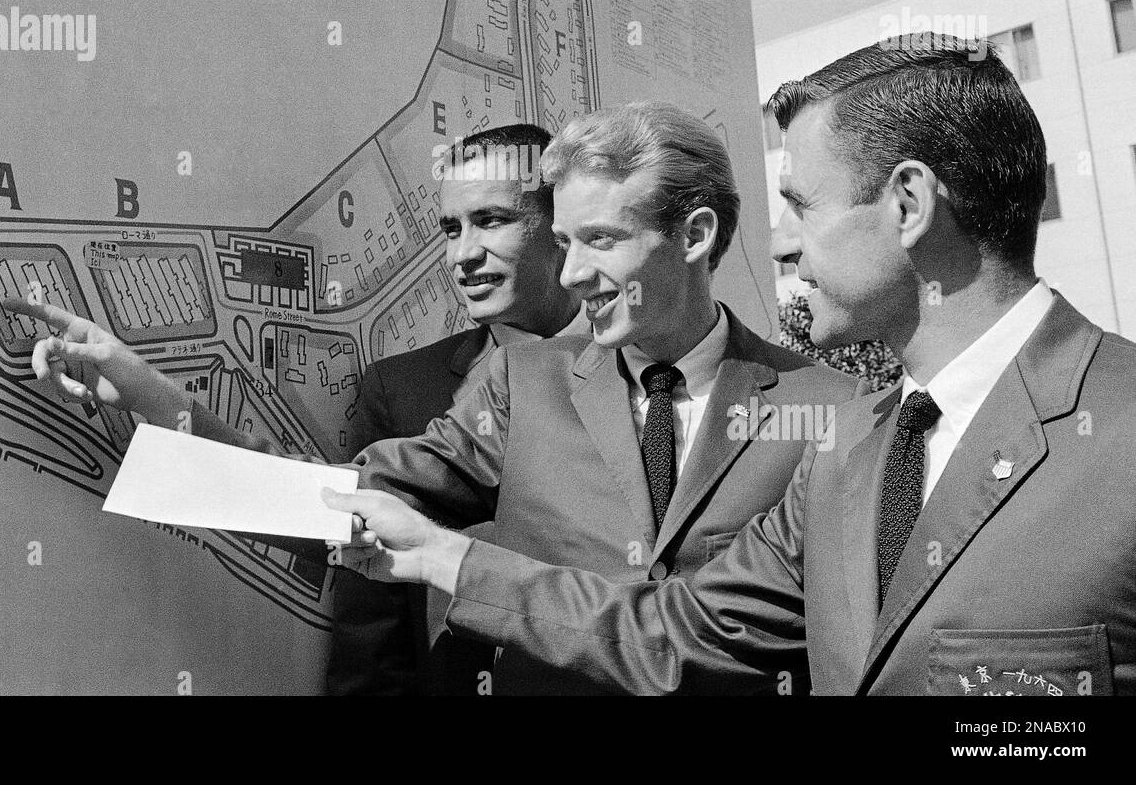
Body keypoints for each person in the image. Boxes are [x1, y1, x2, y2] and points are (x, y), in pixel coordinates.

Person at [327, 36, 1136, 696]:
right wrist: (440, 555)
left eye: (804, 207)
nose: (786, 241)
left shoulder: (1113, 430)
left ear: (909, 205)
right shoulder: (854, 447)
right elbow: (670, 629)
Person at [6, 100, 860, 695]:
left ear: (697, 235)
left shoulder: (833, 411)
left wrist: (457, 563)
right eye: (562, 242)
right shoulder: (524, 385)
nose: (569, 275)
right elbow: (342, 502)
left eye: (600, 240)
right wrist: (154, 396)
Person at [329, 123, 584, 695]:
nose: (464, 254)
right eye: (451, 228)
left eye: (491, 220)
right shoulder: (402, 390)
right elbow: (370, 618)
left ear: (560, 227)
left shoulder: (644, 373)